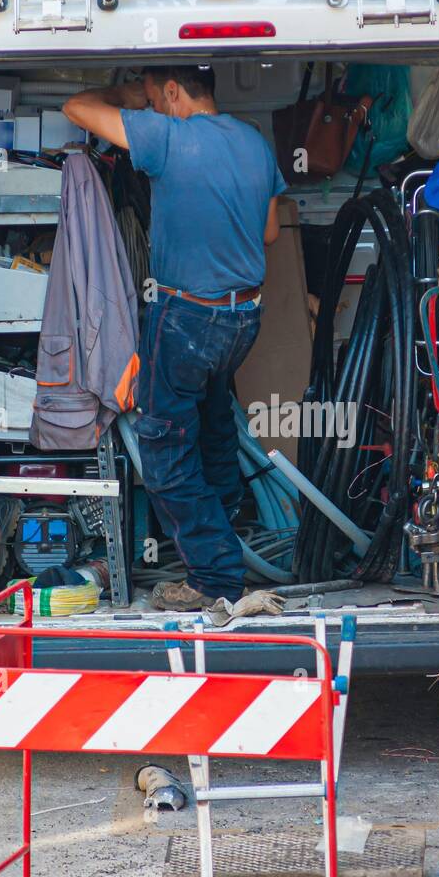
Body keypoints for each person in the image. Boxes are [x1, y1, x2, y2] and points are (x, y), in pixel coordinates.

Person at [63, 65, 286, 609]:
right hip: (241, 320)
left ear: (171, 91)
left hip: (185, 319)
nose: (152, 111)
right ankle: (226, 517)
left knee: (164, 452)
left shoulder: (168, 136)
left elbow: (77, 108)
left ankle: (214, 579)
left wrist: (125, 98)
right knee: (212, 426)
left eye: (154, 99)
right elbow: (270, 231)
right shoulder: (254, 141)